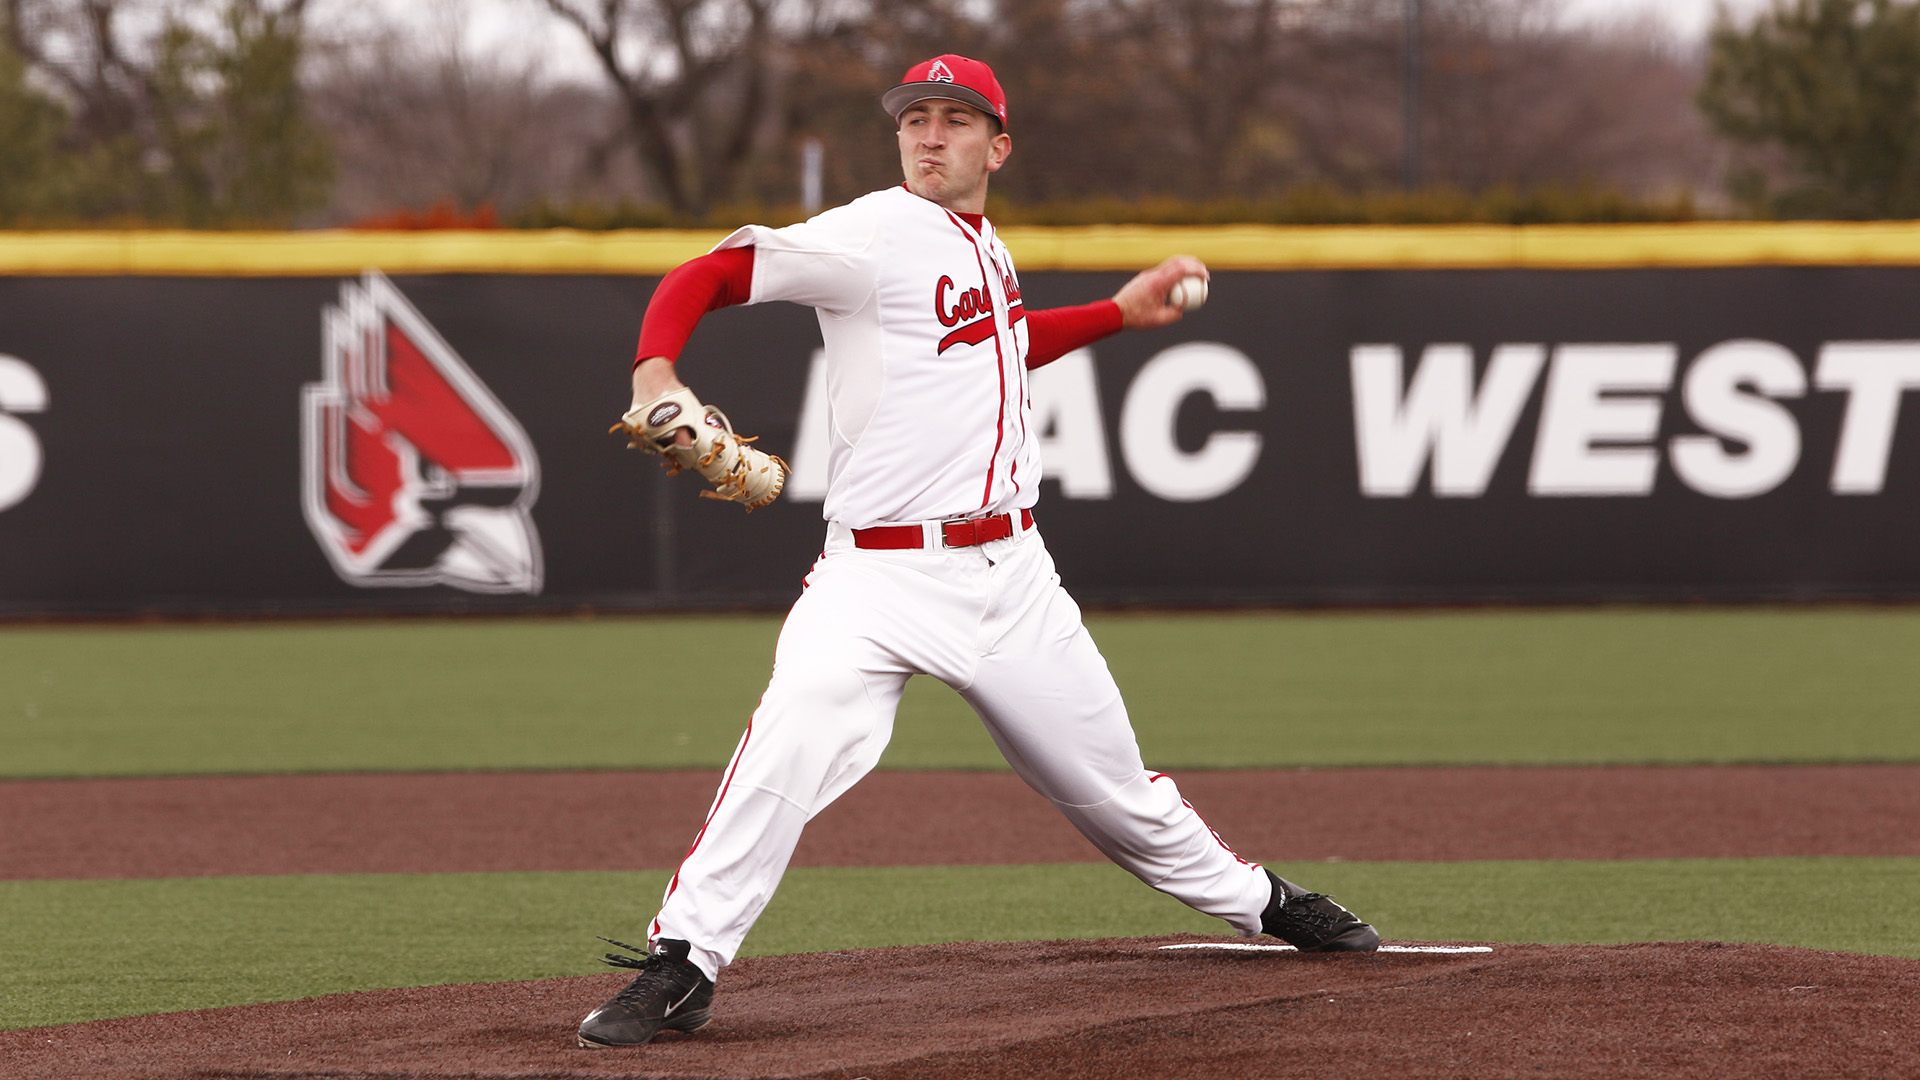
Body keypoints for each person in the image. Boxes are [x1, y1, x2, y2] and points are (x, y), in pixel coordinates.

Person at [577, 53, 1379, 1050]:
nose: (928, 134)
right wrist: (657, 364)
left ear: (997, 146)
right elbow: (711, 273)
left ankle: (1265, 902)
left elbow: (1002, 340)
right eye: (915, 117)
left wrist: (1117, 316)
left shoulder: (982, 244)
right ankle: (683, 963)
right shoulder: (874, 233)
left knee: (1118, 799)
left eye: (955, 119)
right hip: (875, 576)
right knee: (788, 745)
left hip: (1014, 583)